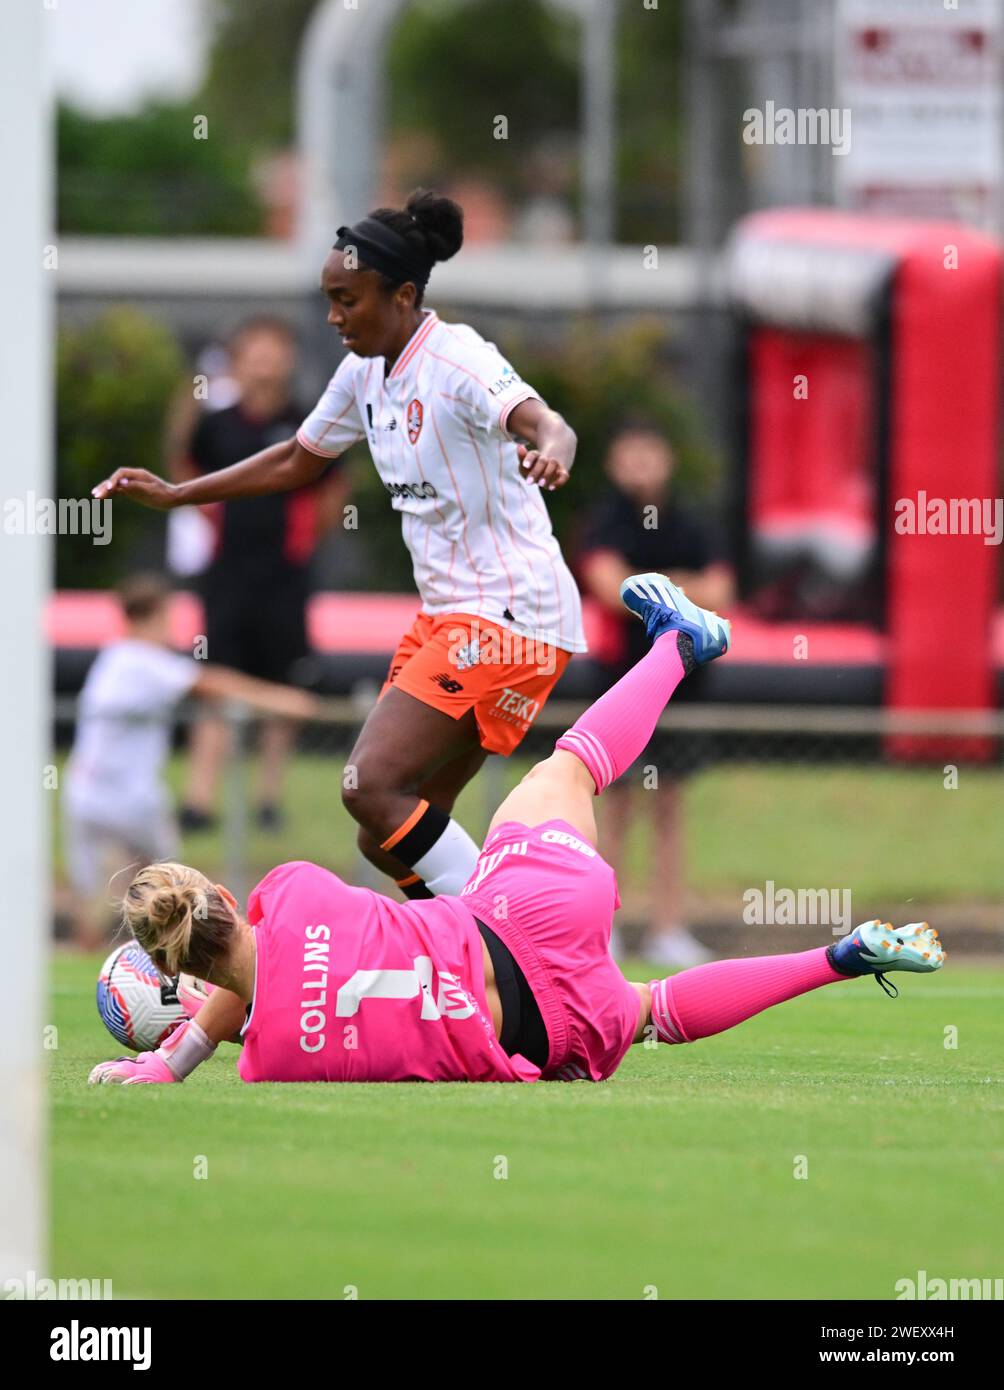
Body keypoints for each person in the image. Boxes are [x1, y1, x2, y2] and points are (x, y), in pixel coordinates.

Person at [88, 575, 944, 1087]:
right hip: (526, 915)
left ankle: (837, 960)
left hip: (549, 1035)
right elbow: (267, 962)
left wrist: (174, 1055)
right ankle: (681, 647)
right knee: (564, 770)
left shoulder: (272, 1059)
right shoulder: (292, 892)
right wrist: (187, 1040)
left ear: (179, 975)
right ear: (231, 899)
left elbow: (274, 1004)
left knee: (649, 1012)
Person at [92, 189, 586, 906]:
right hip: (456, 618)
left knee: (368, 786)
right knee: (387, 829)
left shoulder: (458, 359)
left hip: (508, 615)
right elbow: (298, 458)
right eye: (328, 299)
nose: (333, 317)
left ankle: (509, 937)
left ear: (404, 295)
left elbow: (548, 422)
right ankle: (483, 971)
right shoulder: (362, 374)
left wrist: (551, 449)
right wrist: (177, 493)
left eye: (347, 299)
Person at [63, 573, 320, 950]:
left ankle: (113, 962)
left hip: (82, 792)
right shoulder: (143, 661)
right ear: (157, 615)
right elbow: (210, 683)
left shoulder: (113, 657)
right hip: (130, 799)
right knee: (175, 892)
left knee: (101, 900)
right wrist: (282, 700)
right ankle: (190, 966)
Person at [169, 317, 349, 833]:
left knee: (282, 681)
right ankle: (200, 799)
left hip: (285, 577)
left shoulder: (306, 424)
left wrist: (306, 532)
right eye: (255, 352)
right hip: (227, 574)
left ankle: (268, 798)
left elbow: (333, 487)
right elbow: (184, 468)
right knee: (217, 678)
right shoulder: (216, 423)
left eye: (274, 351)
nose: (265, 362)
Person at [579, 420, 734, 966]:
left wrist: (653, 585)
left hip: (685, 690)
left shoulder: (693, 521)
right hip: (621, 686)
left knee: (670, 810)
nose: (640, 465)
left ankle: (669, 929)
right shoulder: (603, 521)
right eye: (630, 455)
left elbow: (721, 591)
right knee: (613, 809)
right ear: (614, 464)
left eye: (650, 453)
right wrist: (678, 590)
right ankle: (604, 929)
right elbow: (609, 586)